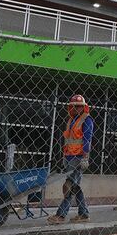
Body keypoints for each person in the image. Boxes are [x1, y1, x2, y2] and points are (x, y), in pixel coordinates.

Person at [47, 94, 94, 225]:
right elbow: (68, 141)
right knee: (75, 186)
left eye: (79, 106)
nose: (77, 108)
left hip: (78, 157)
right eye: (75, 106)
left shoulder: (86, 120)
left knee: (69, 185)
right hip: (69, 156)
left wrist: (85, 157)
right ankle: (84, 214)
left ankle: (61, 215)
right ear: (71, 107)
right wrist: (64, 156)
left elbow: (87, 140)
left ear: (84, 107)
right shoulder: (71, 120)